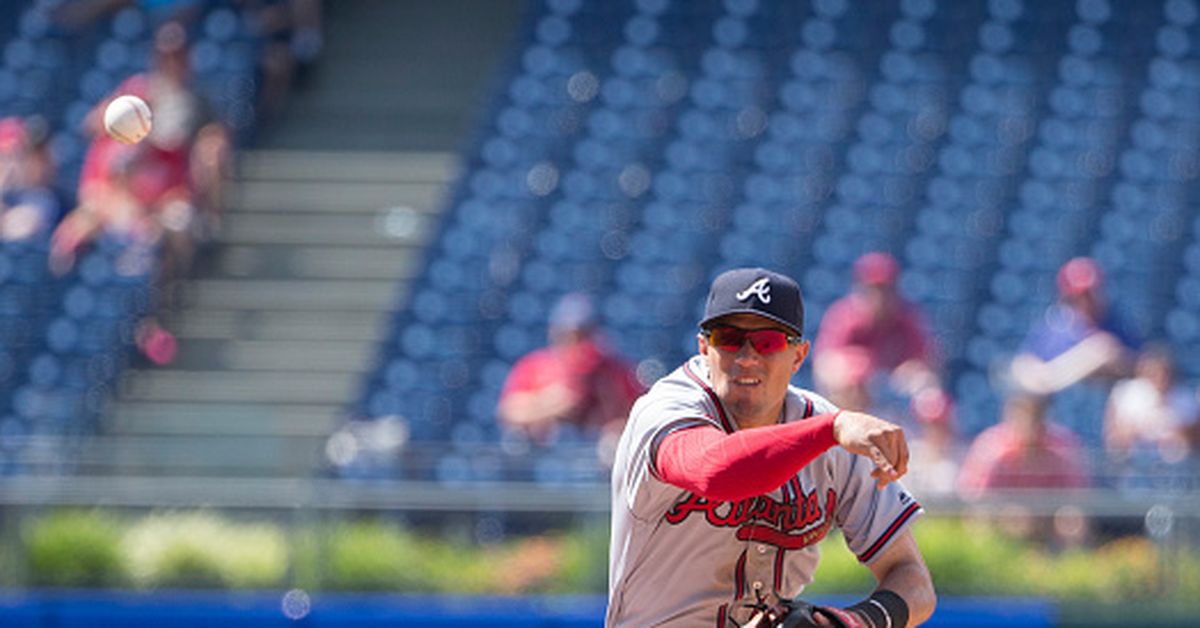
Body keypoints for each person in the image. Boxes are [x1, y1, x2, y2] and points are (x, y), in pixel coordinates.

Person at [607, 268, 936, 628]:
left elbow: (914, 582)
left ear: (798, 356)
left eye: (768, 342)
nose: (747, 357)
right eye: (728, 338)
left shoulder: (828, 432)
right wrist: (833, 429)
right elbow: (716, 470)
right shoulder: (667, 408)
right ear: (704, 347)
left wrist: (843, 623)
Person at [497, 292, 643, 444]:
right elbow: (508, 412)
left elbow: (638, 414)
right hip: (545, 452)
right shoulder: (537, 365)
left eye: (582, 334)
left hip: (595, 455)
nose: (574, 341)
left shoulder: (613, 368)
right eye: (567, 333)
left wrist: (615, 425)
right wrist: (548, 405)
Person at [812, 252, 941, 418]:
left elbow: (928, 365)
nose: (880, 296)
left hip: (892, 399)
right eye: (873, 289)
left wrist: (906, 374)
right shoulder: (845, 316)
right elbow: (826, 365)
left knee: (926, 388)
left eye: (885, 289)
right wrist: (859, 369)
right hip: (851, 401)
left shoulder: (906, 317)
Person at [1010, 257, 1139, 396]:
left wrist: (1111, 359)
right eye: (1079, 297)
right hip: (1057, 404)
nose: (1086, 302)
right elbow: (1024, 366)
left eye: (1090, 295)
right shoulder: (1054, 329)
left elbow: (1139, 366)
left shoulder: (1117, 325)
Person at [1103, 345, 1196, 467]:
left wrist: (1176, 434)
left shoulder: (1185, 398)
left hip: (1175, 467)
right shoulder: (1128, 393)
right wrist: (1139, 430)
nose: (1158, 378)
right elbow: (1114, 439)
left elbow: (1193, 440)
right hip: (1134, 464)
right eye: (1152, 373)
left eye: (1162, 374)